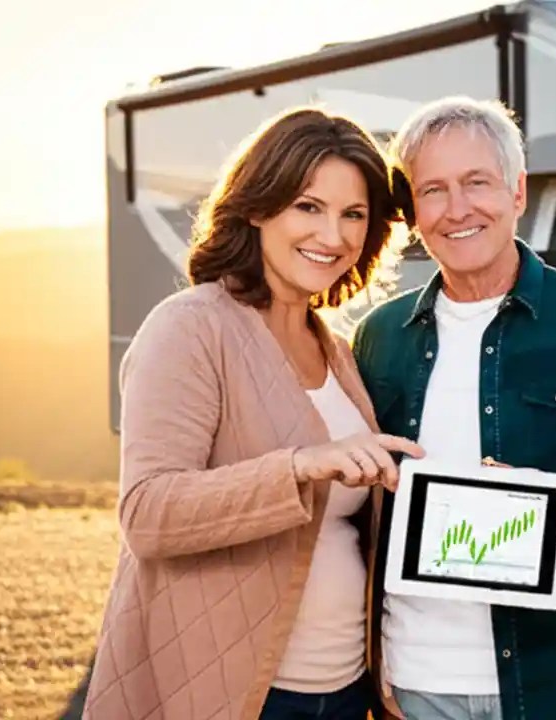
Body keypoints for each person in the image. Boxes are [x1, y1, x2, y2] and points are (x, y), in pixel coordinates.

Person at [82, 107, 424, 720]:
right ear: (257, 206)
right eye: (308, 206)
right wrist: (299, 467)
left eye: (354, 215)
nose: (334, 236)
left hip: (345, 690)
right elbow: (148, 512)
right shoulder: (190, 327)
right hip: (244, 696)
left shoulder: (338, 351)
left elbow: (345, 533)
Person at [352, 96, 556, 720]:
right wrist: (373, 658)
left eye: (477, 182)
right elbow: (366, 515)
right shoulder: (380, 337)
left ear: (517, 191)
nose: (457, 210)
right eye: (433, 190)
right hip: (420, 680)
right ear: (414, 211)